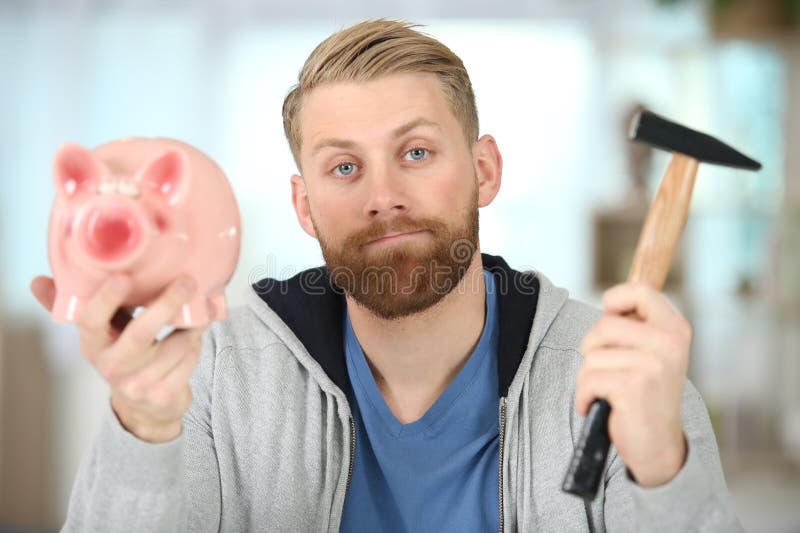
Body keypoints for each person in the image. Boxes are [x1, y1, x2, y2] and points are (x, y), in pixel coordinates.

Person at [32, 19, 743, 532]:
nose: (383, 196)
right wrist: (143, 430)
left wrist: (662, 469)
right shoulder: (214, 370)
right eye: (344, 166)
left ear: (485, 170)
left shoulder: (616, 374)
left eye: (417, 152)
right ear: (304, 206)